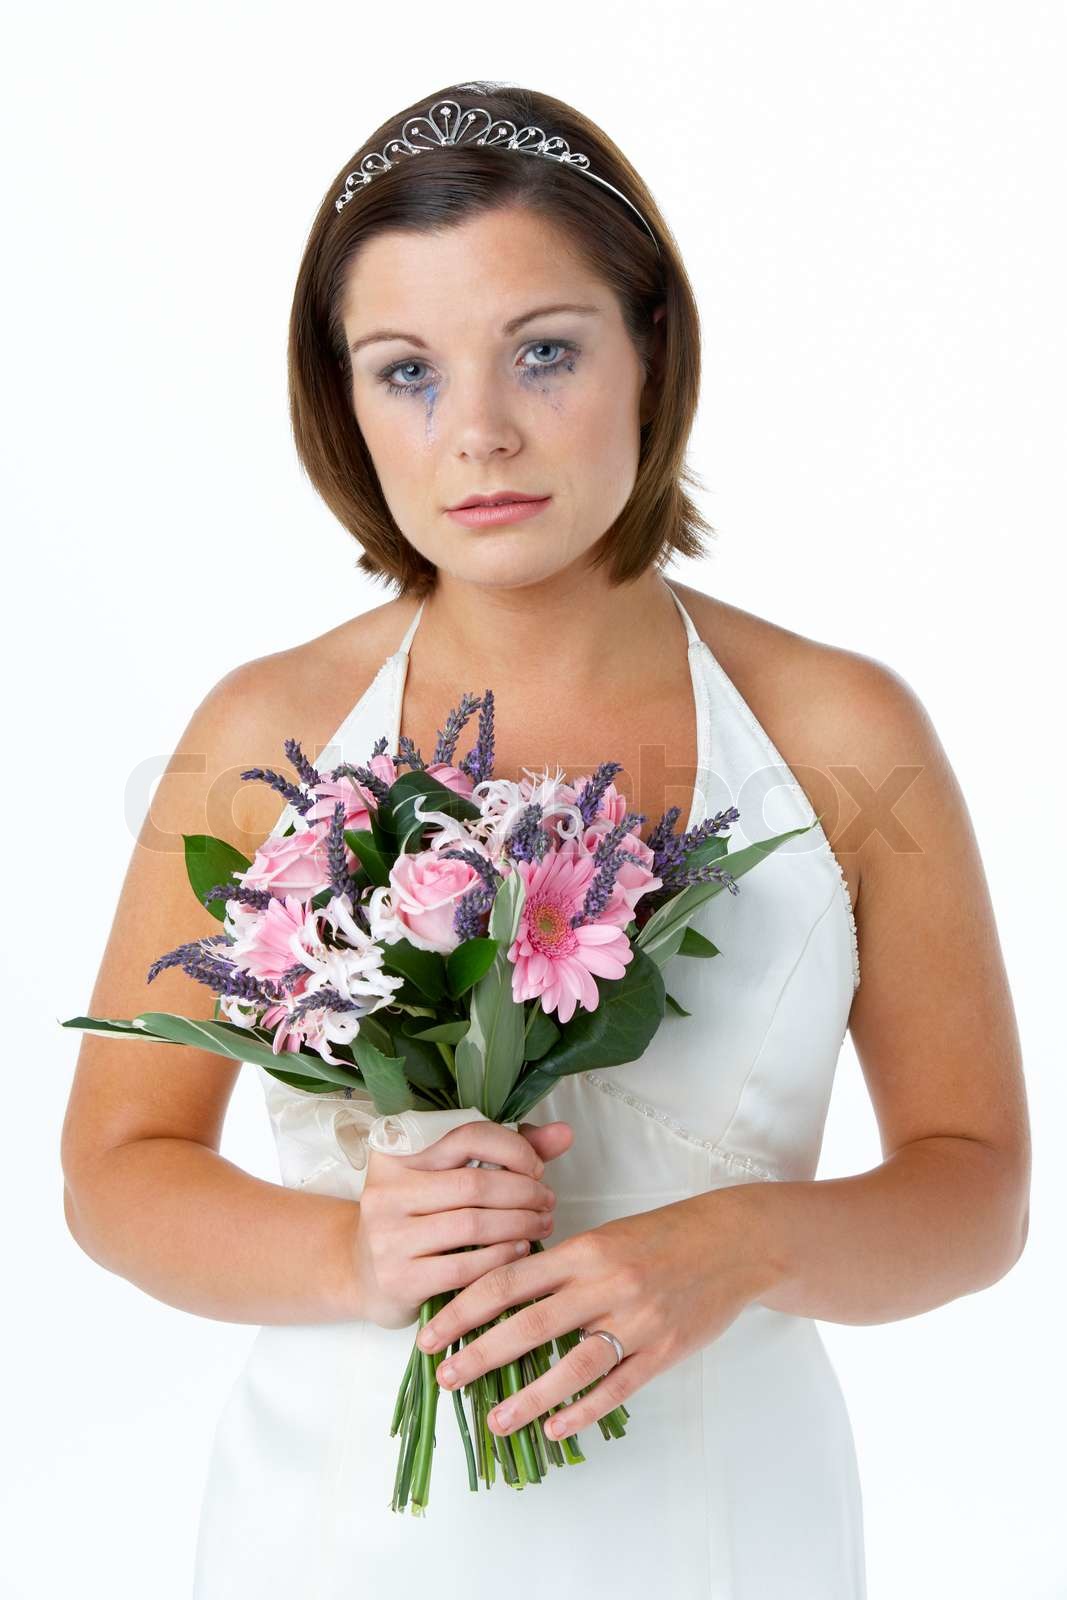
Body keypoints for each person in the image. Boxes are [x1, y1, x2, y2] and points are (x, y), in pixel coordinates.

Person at [60, 80, 1031, 1598]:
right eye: (407, 373)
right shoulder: (265, 726)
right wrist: (347, 1259)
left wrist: (749, 1244)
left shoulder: (842, 730)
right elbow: (116, 1170)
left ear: (653, 347)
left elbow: (977, 1193)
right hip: (336, 1538)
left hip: (732, 1530)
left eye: (546, 351)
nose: (482, 435)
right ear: (344, 401)